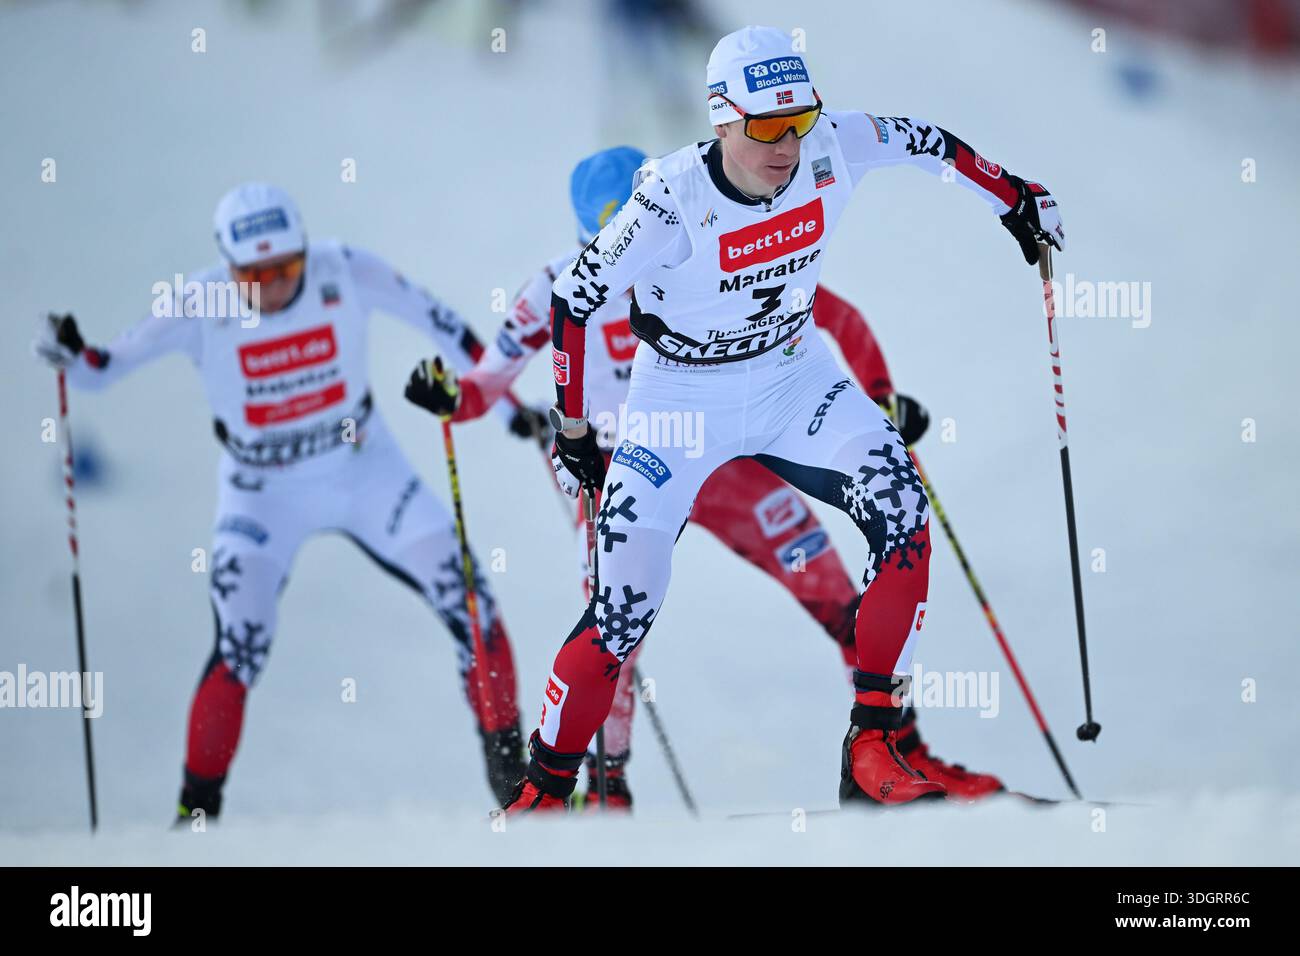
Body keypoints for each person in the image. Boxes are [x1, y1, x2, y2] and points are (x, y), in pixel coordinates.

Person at [405, 147, 1006, 809]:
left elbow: (835, 316)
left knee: (837, 600)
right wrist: (450, 398)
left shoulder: (707, 243)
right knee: (615, 624)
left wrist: (882, 397)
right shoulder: (561, 285)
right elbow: (484, 387)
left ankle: (894, 749)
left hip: (735, 469)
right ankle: (603, 792)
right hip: (632, 469)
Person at [31, 183, 531, 818]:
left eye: (287, 268)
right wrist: (68, 353)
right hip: (261, 494)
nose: (271, 286)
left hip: (364, 470)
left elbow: (441, 322)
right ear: (226, 264)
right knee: (242, 642)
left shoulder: (342, 269)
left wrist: (509, 409)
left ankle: (519, 794)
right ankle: (195, 818)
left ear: (304, 251)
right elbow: (101, 369)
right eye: (253, 274)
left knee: (474, 605)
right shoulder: (198, 301)